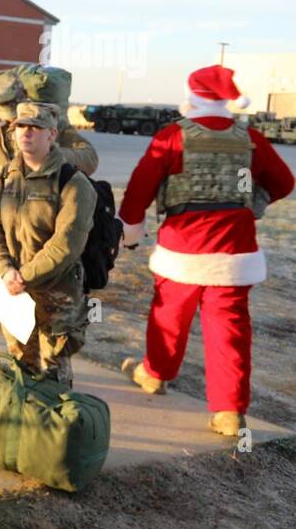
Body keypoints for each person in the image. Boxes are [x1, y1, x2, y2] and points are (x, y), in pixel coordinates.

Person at [117, 65, 293, 436]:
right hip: (235, 250)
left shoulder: (173, 136)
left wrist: (131, 229)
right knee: (229, 330)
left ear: (192, 97)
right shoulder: (250, 139)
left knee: (168, 317)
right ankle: (229, 411)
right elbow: (284, 181)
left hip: (181, 249)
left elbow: (140, 186)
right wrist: (252, 203)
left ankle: (155, 374)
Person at [0, 65, 98, 362]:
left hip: (30, 228)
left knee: (25, 296)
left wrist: (46, 154)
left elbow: (89, 157)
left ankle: (30, 360)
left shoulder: (46, 122)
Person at [0, 102, 96, 385]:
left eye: (35, 127)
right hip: (13, 290)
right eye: (20, 126)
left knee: (53, 377)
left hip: (55, 295)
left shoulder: (73, 183)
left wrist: (24, 276)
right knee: (20, 368)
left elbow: (66, 244)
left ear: (52, 134)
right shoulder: (3, 176)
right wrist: (5, 269)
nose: (25, 132)